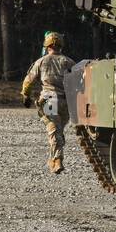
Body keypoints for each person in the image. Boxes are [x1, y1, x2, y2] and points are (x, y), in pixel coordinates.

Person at [21, 32, 75, 174]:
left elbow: (28, 81)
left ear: (47, 46)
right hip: (65, 102)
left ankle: (57, 160)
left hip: (49, 100)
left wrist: (25, 96)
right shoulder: (69, 62)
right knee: (58, 131)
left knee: (53, 130)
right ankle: (54, 158)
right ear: (60, 46)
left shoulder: (41, 62)